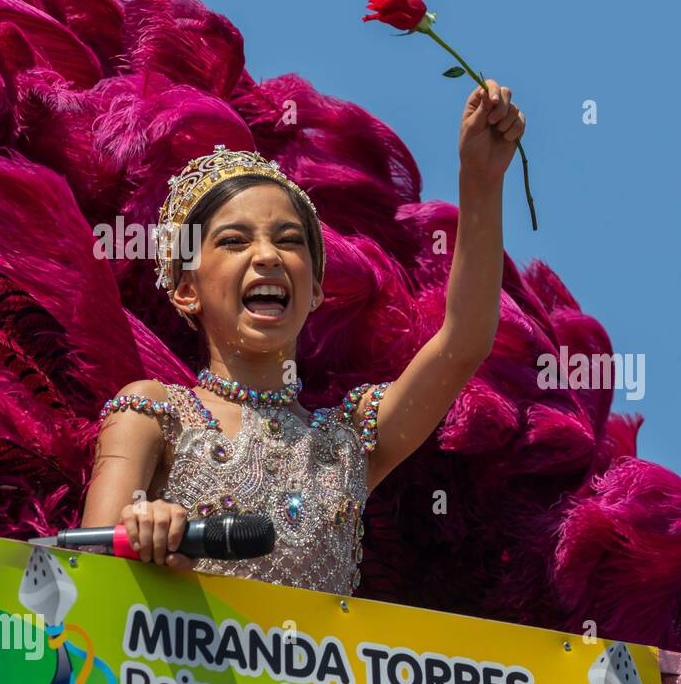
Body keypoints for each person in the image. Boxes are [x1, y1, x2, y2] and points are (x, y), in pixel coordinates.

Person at [81, 81, 524, 593]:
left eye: (289, 242)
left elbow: (463, 342)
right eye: (234, 240)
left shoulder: (349, 443)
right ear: (186, 290)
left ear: (314, 289)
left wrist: (482, 180)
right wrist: (147, 538)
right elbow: (86, 573)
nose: (268, 256)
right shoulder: (153, 413)